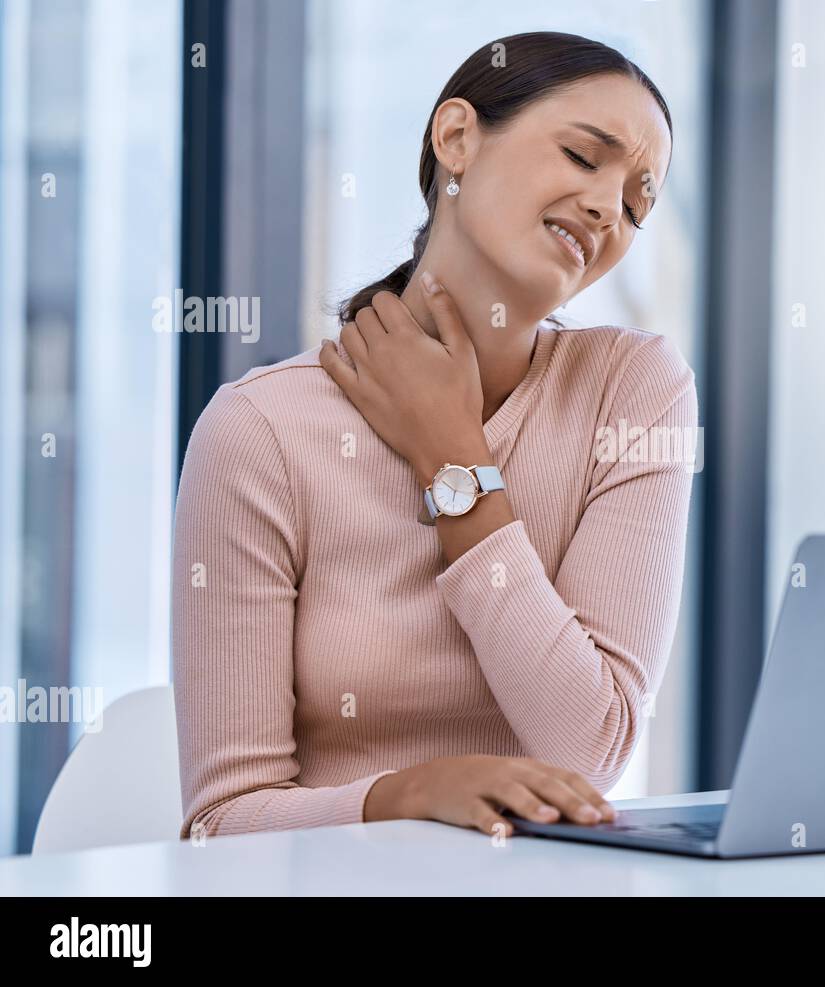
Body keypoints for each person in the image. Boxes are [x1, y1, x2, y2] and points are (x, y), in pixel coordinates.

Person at [172, 31, 694, 841]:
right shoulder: (259, 432)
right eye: (584, 157)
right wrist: (411, 793)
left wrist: (455, 462)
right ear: (456, 139)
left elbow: (590, 749)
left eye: (635, 202)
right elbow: (220, 821)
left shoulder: (634, 392)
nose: (606, 210)